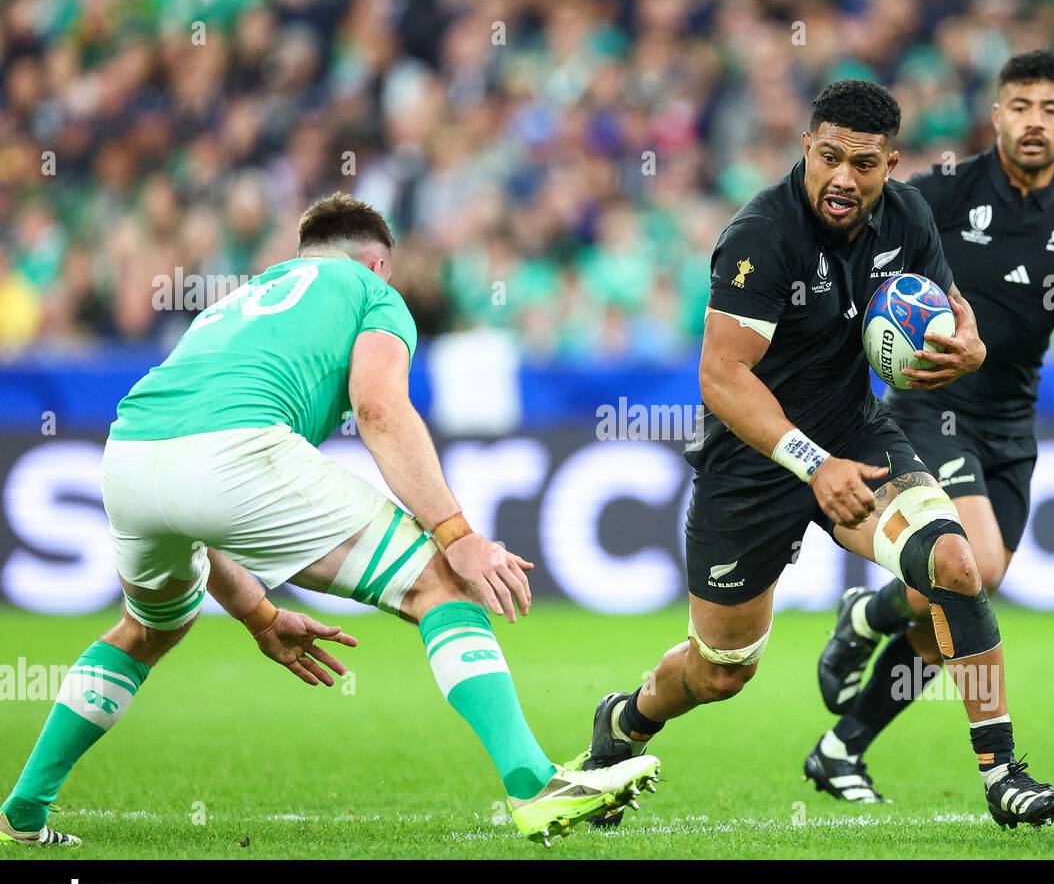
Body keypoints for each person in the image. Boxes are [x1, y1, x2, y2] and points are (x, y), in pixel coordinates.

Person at [1, 193, 658, 849]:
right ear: (379, 264)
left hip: (128, 456)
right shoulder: (370, 293)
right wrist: (457, 536)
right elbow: (379, 410)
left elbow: (195, 504)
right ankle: (532, 785)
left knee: (145, 631)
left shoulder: (237, 302)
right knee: (443, 586)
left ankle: (23, 811)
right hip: (236, 449)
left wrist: (260, 616)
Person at [572, 81, 1054, 830]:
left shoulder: (907, 218)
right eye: (829, 157)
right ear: (807, 147)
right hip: (752, 462)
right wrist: (811, 464)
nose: (844, 177)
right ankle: (625, 721)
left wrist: (968, 352)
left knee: (957, 568)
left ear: (890, 164)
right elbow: (720, 376)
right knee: (720, 671)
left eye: (864, 164)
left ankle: (1002, 772)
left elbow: (943, 322)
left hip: (859, 440)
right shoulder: (760, 236)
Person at [812, 51, 1054, 813]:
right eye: (1021, 105)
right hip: (928, 410)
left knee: (947, 612)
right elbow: (867, 263)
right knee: (969, 570)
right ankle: (994, 765)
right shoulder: (943, 194)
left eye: (1051, 108)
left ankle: (842, 737)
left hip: (1013, 421)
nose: (1034, 122)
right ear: (997, 113)